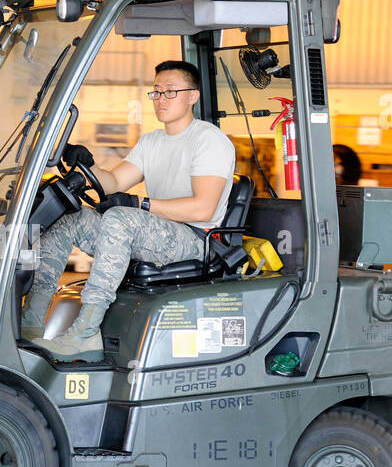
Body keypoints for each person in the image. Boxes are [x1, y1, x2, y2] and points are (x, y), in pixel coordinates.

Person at [21, 60, 237, 361]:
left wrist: (141, 204)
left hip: (195, 239)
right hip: (156, 233)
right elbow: (114, 181)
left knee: (120, 218)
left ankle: (84, 334)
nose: (161, 99)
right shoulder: (152, 142)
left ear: (193, 96)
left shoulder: (209, 141)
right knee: (71, 218)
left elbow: (203, 208)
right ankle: (30, 326)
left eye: (170, 92)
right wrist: (85, 162)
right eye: (157, 92)